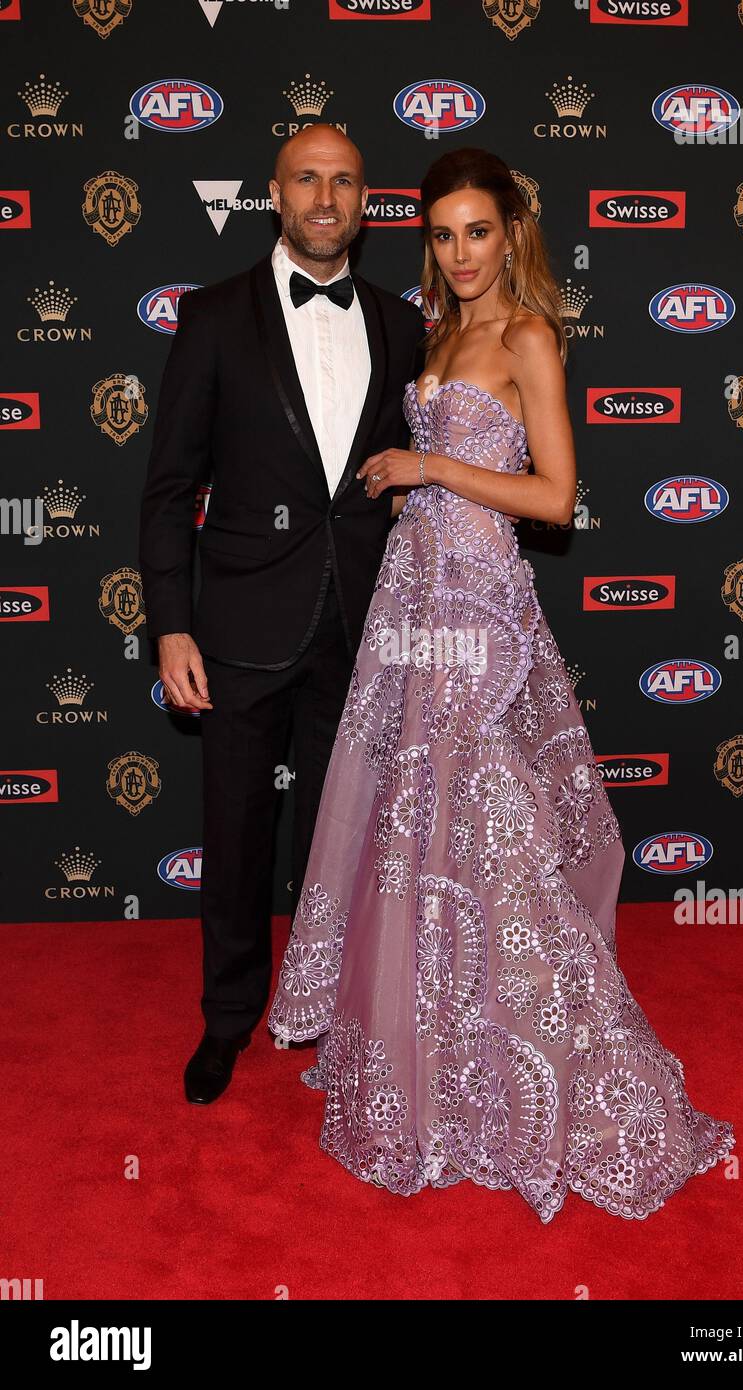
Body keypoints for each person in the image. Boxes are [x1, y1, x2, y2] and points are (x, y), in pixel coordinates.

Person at [268, 147, 736, 1223]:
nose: (459, 252)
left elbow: (557, 496)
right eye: (440, 234)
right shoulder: (442, 332)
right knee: (414, 820)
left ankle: (517, 1061)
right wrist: (414, 496)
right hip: (415, 600)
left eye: (476, 231)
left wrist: (428, 468)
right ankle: (426, 1055)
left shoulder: (527, 335)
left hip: (477, 612)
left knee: (488, 824)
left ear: (509, 233)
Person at [139, 124, 426, 1104]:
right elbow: (170, 483)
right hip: (238, 627)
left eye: (343, 181)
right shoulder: (216, 315)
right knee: (235, 831)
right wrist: (169, 623)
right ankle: (227, 1018)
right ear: (275, 193)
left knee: (341, 839)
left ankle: (329, 1010)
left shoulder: (399, 322)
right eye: (306, 178)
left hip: (359, 624)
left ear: (364, 199)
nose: (323, 197)